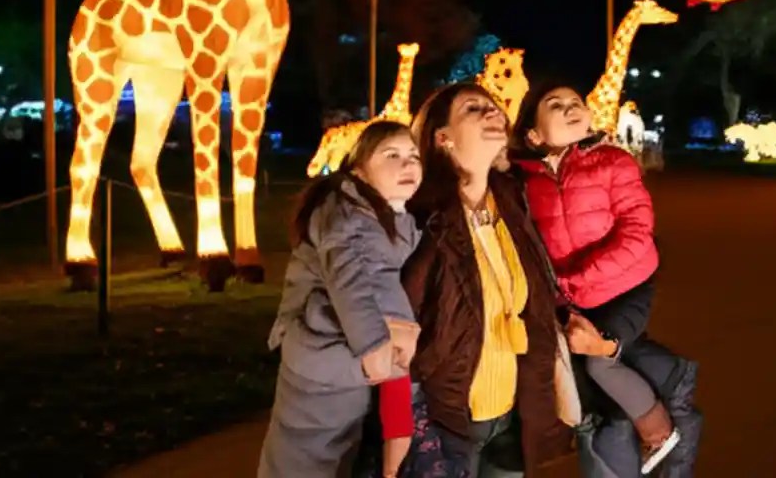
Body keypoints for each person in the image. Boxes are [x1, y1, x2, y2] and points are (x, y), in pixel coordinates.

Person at [400, 82, 573, 477]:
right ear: (442, 137)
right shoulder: (421, 216)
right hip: (451, 419)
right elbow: (401, 316)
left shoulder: (512, 199)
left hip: (512, 418)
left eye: (494, 106)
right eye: (474, 109)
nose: (494, 111)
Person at [511, 82, 679, 474]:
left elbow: (637, 233)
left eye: (576, 102)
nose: (571, 107)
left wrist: (573, 281)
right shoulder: (524, 181)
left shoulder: (613, 162)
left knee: (600, 362)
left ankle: (658, 429)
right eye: (555, 105)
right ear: (533, 133)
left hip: (626, 287)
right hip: (572, 298)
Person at [259, 121, 423, 478]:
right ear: (359, 168)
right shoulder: (351, 214)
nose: (408, 164)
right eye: (391, 155)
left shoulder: (382, 211)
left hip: (326, 354)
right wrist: (384, 346)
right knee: (307, 460)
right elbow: (361, 278)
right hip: (325, 354)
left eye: (414, 156)